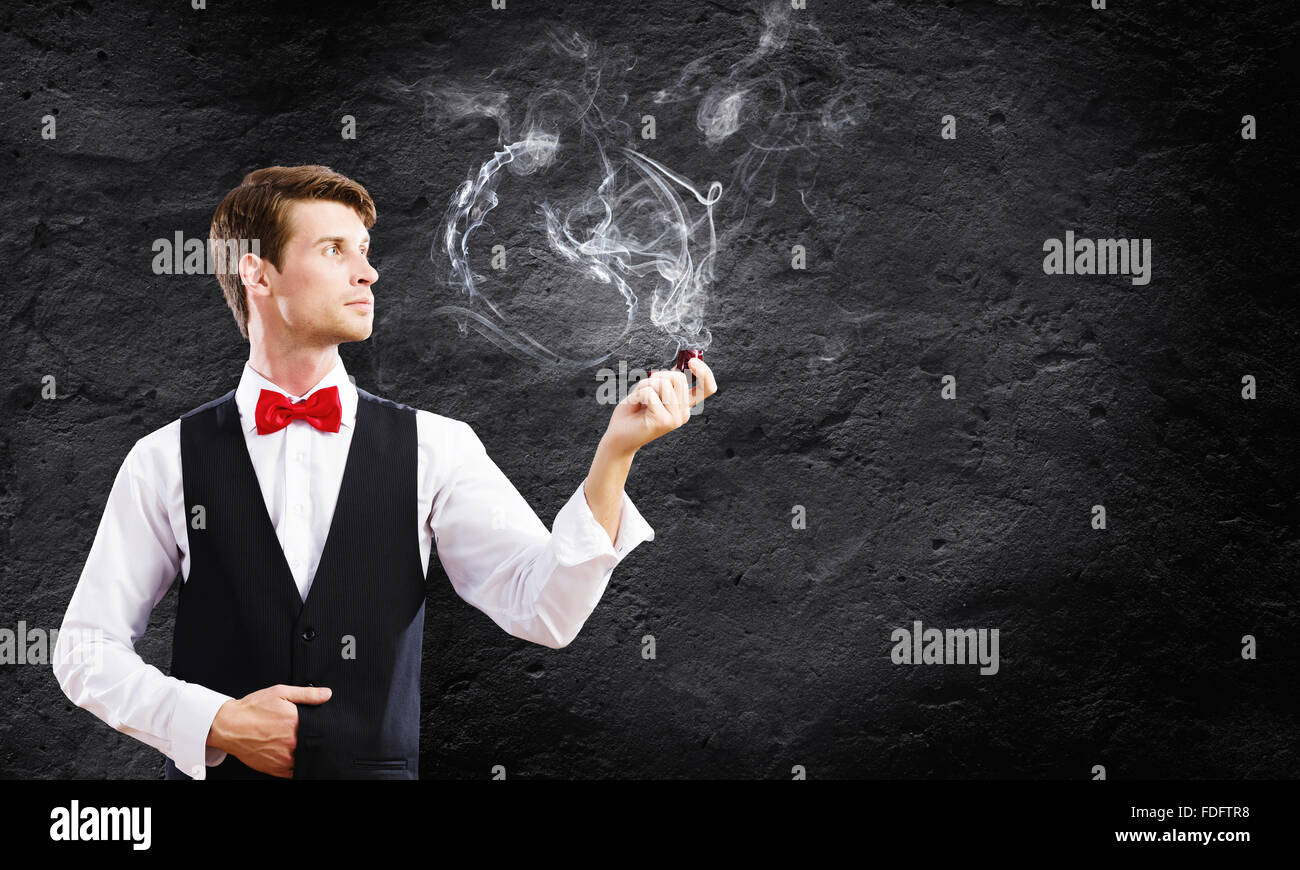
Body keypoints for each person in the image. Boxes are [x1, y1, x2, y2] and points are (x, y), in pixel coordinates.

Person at [51, 164, 718, 780]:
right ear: (257, 274)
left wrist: (614, 456)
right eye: (334, 250)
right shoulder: (163, 459)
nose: (368, 273)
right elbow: (83, 650)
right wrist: (213, 721)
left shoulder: (437, 447)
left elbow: (544, 610)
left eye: (364, 251)